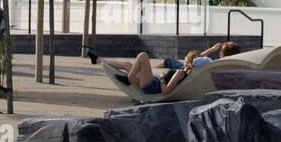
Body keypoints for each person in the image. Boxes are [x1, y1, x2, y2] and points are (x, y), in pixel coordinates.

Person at [94, 41, 241, 96]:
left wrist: (163, 77)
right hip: (153, 83)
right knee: (127, 65)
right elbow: (198, 59)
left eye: (185, 59)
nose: (183, 60)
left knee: (143, 55)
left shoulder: (182, 71)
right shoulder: (201, 65)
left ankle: (128, 79)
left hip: (152, 86)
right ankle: (99, 59)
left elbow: (165, 92)